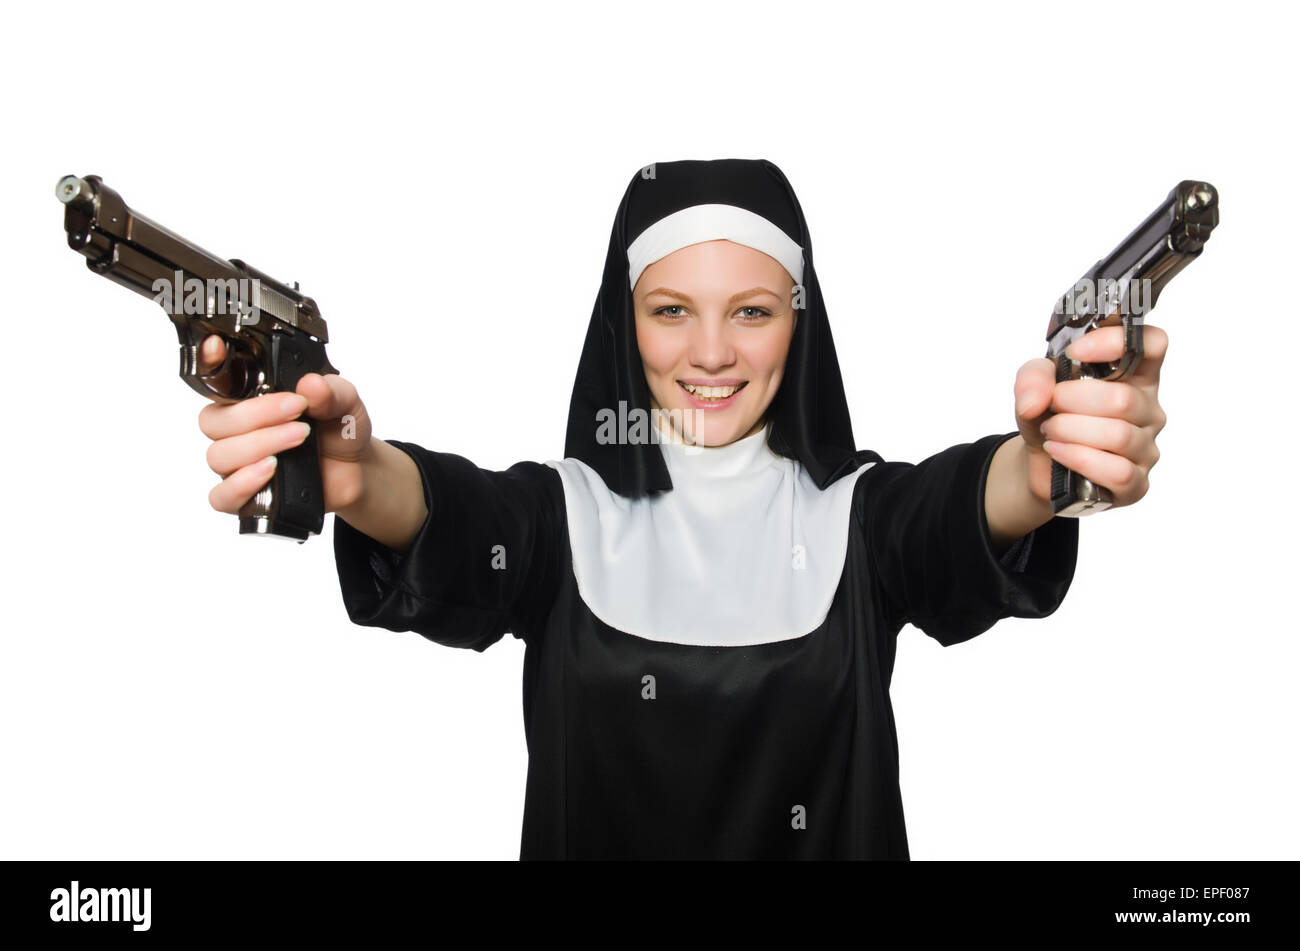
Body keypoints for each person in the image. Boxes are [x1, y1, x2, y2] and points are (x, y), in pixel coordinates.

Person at [196, 158, 1168, 859]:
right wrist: (354, 472)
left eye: (751, 310)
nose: (711, 353)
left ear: (798, 321)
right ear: (625, 322)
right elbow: (450, 517)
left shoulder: (864, 520)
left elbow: (971, 501)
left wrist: (1052, 454)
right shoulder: (556, 520)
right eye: (671, 311)